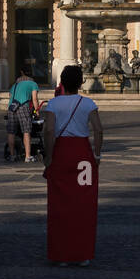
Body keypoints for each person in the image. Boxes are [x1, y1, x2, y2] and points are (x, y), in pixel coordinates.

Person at [40, 65, 104, 267]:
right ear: (81, 83)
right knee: (84, 205)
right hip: (83, 154)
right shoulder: (87, 103)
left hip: (61, 152)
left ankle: (61, 254)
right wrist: (97, 153)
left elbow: (49, 131)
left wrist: (49, 157)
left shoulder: (53, 104)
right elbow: (98, 130)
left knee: (59, 204)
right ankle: (82, 253)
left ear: (62, 82)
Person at [5, 66, 41, 162]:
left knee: (11, 132)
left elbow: (10, 97)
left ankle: (12, 155)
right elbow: (34, 99)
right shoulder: (33, 84)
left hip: (12, 107)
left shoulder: (15, 85)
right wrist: (37, 111)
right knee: (26, 131)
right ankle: (28, 156)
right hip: (23, 106)